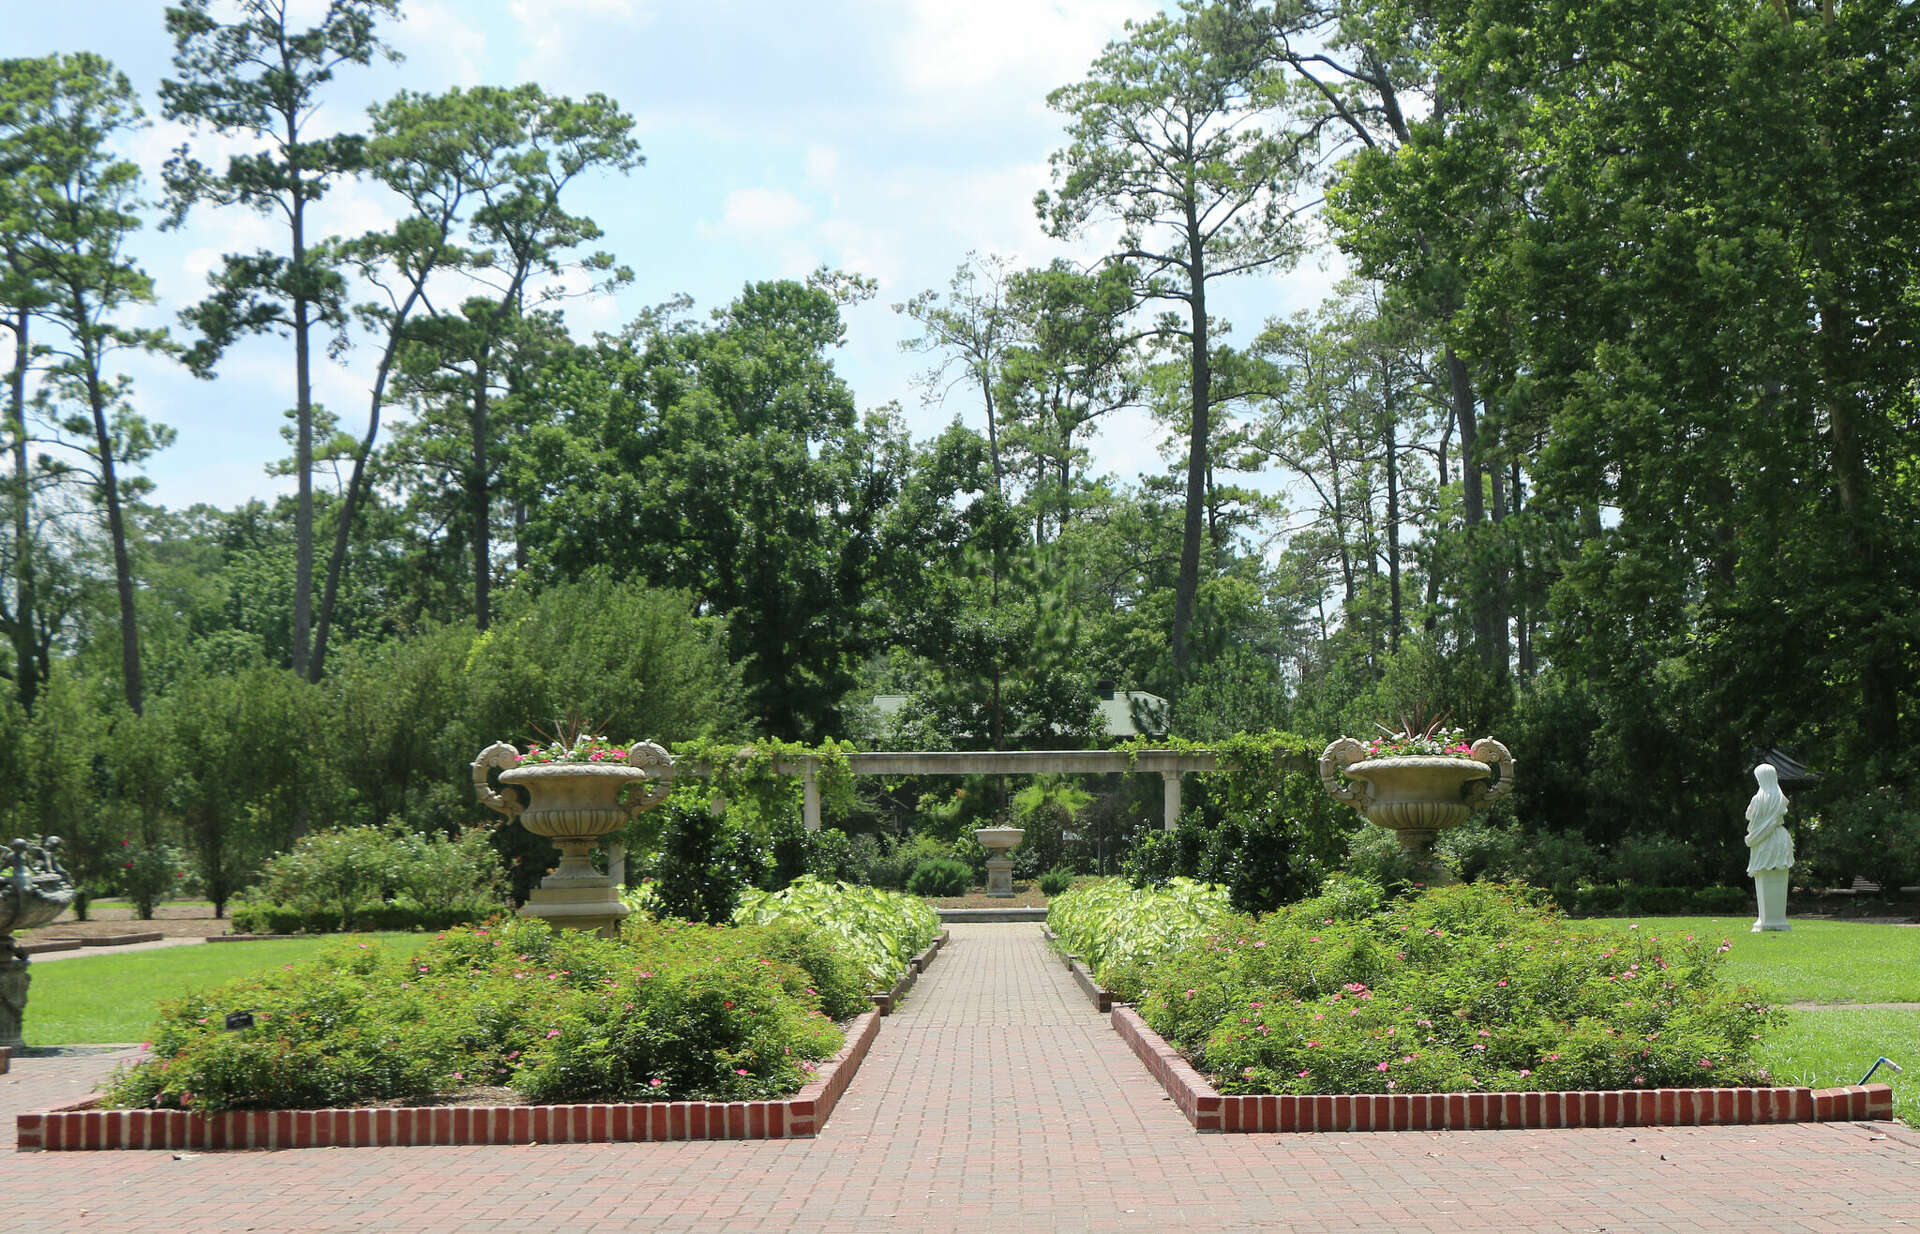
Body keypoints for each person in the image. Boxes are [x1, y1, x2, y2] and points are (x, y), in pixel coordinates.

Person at [1744, 763, 1793, 931]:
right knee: (1777, 877)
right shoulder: (1781, 798)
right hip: (1780, 838)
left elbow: (1750, 817)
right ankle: (1776, 919)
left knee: (1767, 876)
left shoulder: (1758, 799)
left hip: (1765, 842)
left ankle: (1768, 920)